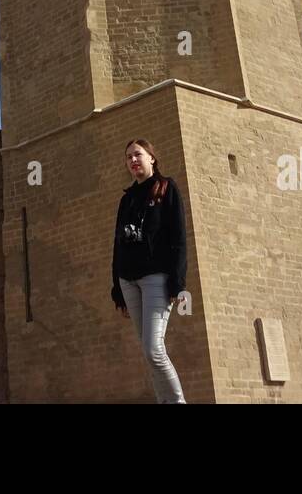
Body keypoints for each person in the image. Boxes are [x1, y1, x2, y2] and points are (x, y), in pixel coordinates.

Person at [110, 138, 187, 404]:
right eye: (128, 156)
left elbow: (178, 238)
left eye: (138, 155)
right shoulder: (127, 198)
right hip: (128, 280)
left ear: (151, 158)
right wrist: (116, 290)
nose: (133, 160)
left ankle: (177, 401)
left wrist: (177, 282)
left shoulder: (167, 189)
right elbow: (118, 245)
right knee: (147, 350)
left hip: (156, 278)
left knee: (154, 349)